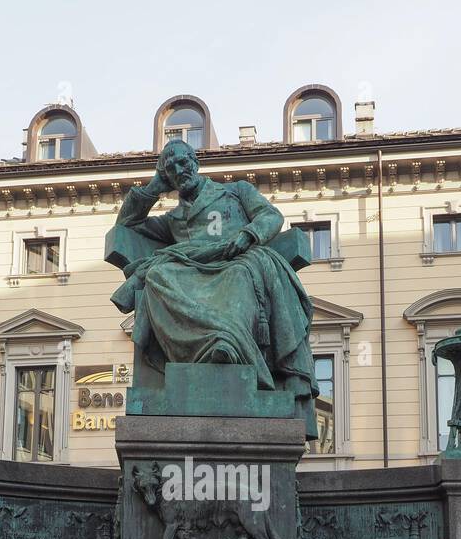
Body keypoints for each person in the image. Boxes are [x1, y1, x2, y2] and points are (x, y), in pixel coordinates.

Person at [109, 139, 320, 440]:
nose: (180, 171)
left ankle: (227, 344)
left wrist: (249, 235)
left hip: (239, 258)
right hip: (192, 270)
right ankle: (210, 346)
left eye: (183, 162)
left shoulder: (236, 190)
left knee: (239, 276)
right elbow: (126, 224)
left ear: (195, 162)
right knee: (156, 275)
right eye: (171, 169)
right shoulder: (173, 219)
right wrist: (156, 185)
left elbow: (271, 216)